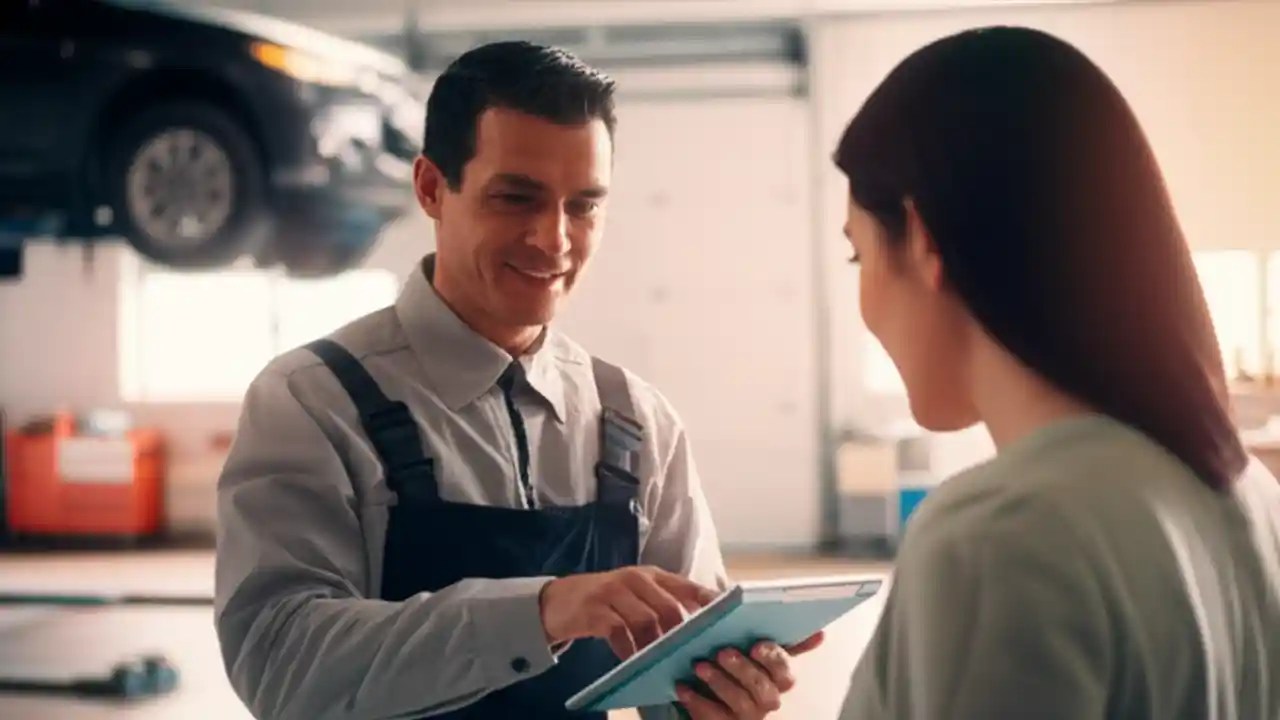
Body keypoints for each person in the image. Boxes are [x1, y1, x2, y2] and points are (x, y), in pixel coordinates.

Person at [214, 41, 819, 720]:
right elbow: (281, 663)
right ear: (431, 188)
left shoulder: (637, 421)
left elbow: (676, 671)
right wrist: (543, 611)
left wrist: (718, 693)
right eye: (516, 198)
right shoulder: (312, 402)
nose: (554, 240)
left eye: (583, 206)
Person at [831, 26, 1280, 720]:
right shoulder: (1252, 497)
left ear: (922, 241)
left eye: (859, 256)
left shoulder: (999, 536)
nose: (863, 304)